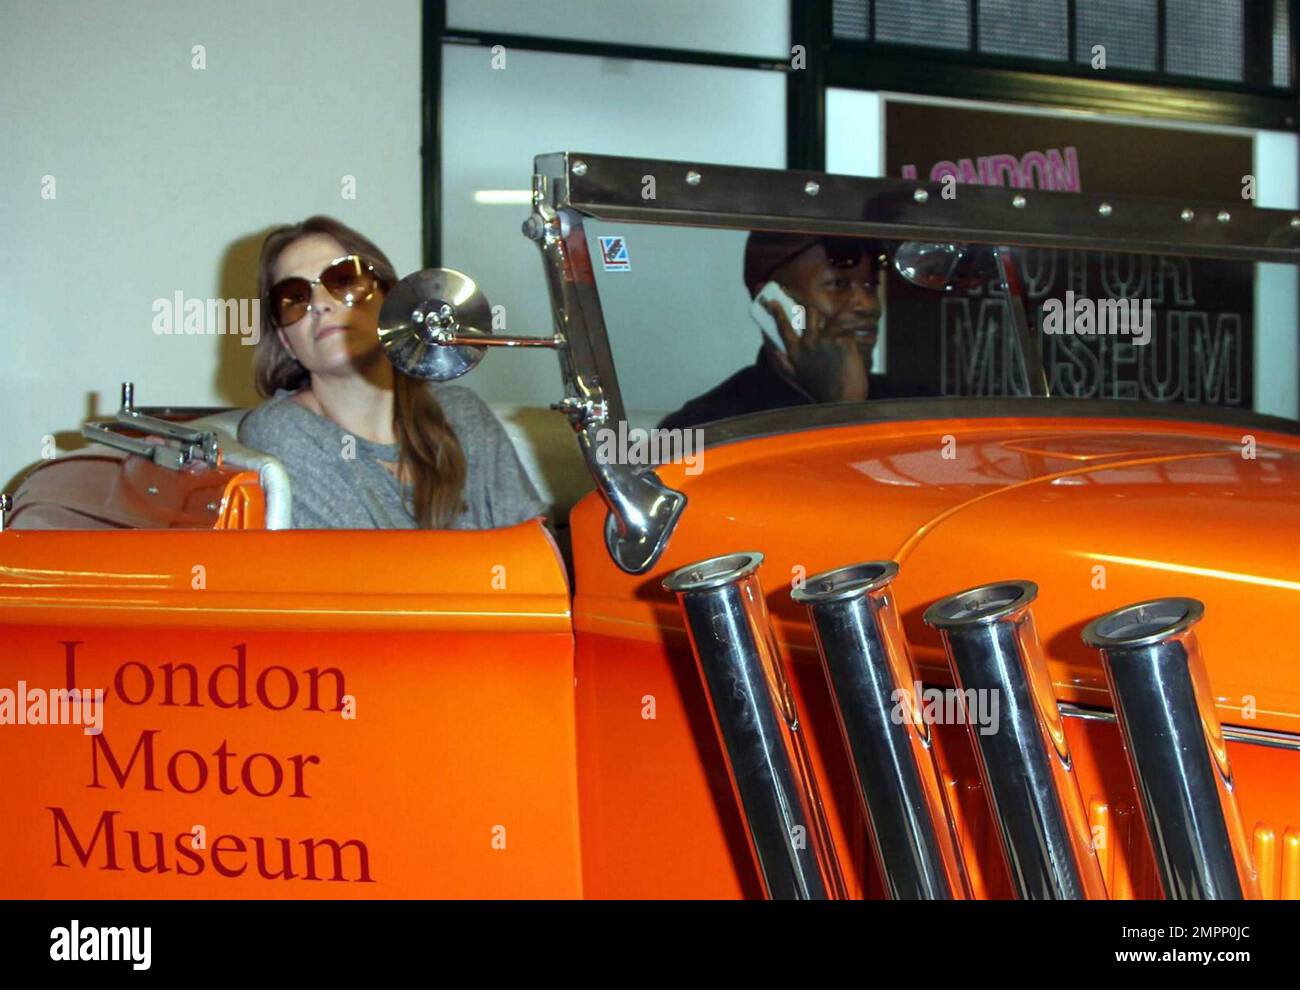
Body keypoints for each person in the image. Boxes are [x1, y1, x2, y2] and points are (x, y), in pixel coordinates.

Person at [238, 215, 545, 530]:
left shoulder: (462, 414)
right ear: (287, 342)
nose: (320, 304)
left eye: (344, 280)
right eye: (294, 298)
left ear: (391, 300)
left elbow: (536, 556)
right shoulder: (281, 431)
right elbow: (364, 573)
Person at [659, 232, 902, 431]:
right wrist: (843, 409)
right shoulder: (706, 428)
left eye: (872, 285)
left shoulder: (916, 405)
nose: (869, 305)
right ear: (772, 303)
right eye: (838, 284)